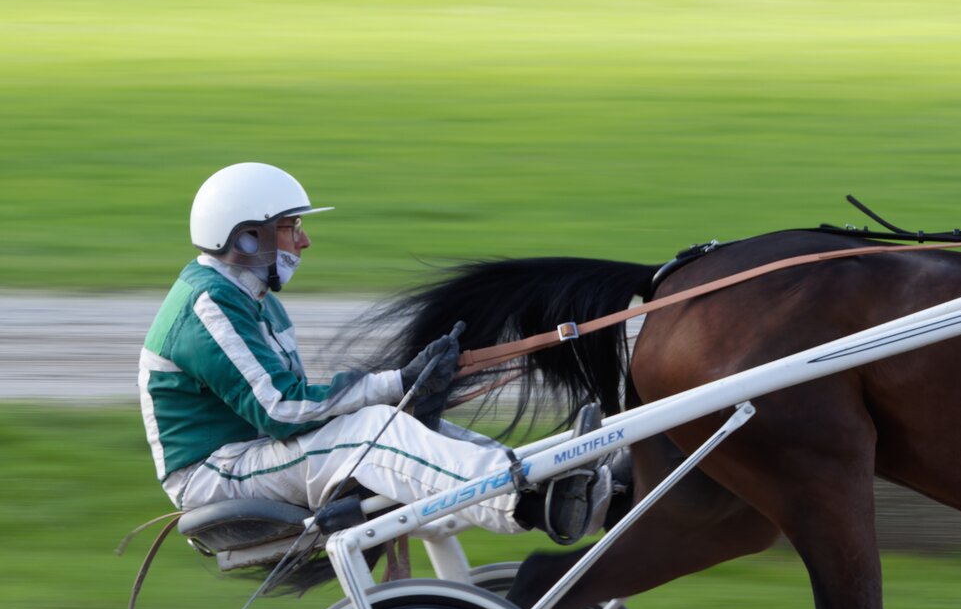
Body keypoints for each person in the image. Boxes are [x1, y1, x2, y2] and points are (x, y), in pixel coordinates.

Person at [141, 162, 615, 544]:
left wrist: (404, 394)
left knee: (400, 425)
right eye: (291, 227)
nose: (304, 241)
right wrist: (396, 383)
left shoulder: (253, 299)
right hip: (214, 475)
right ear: (248, 238)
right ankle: (527, 501)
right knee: (368, 433)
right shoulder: (210, 305)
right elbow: (282, 409)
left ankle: (556, 481)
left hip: (254, 455)